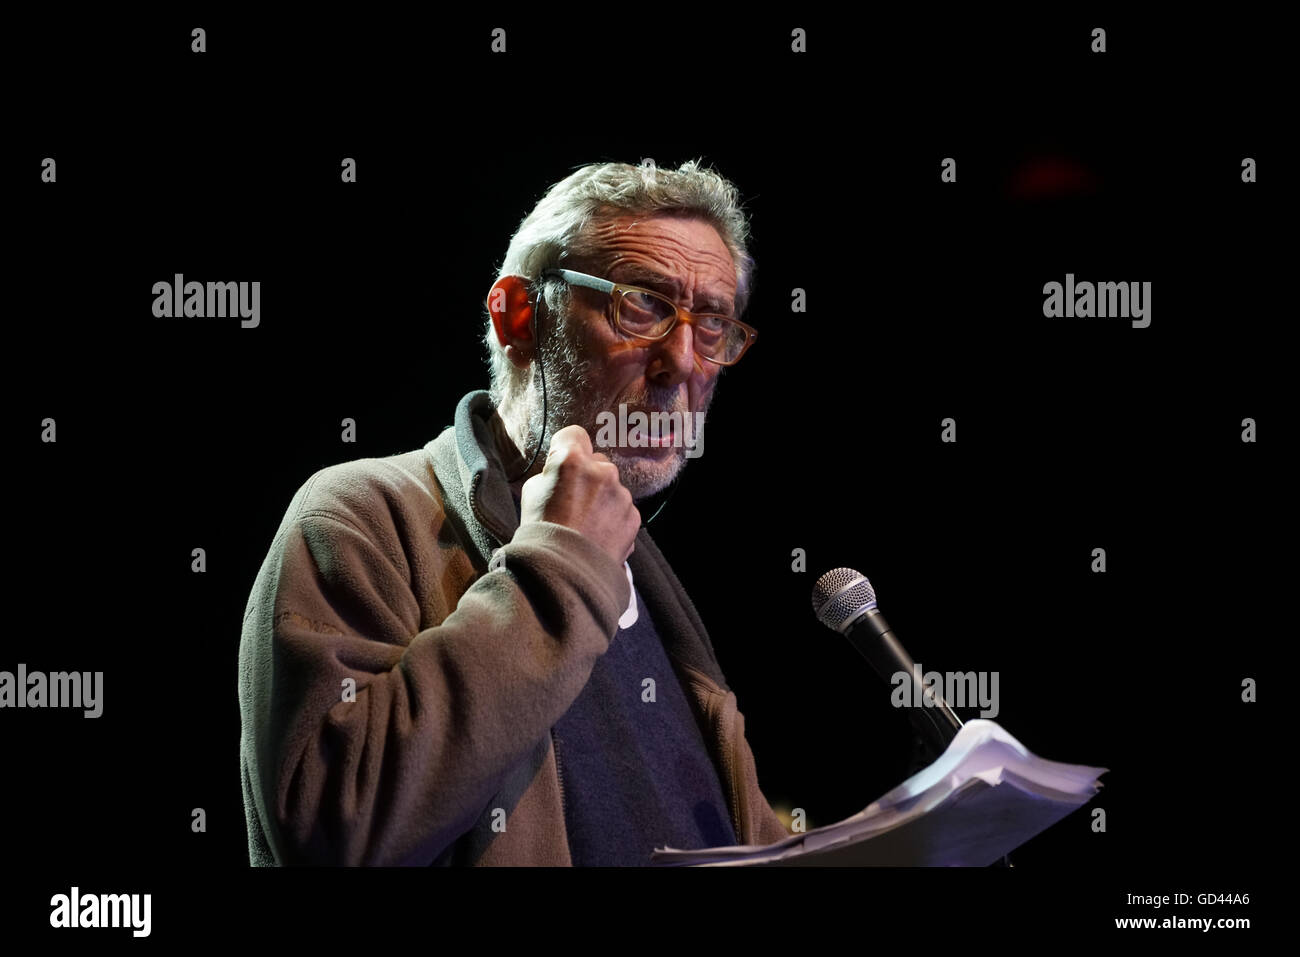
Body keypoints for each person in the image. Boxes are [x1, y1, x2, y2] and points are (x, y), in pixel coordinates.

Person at [238, 159, 789, 866]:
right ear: (518, 317)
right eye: (642, 305)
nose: (682, 360)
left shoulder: (654, 586)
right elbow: (335, 830)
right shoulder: (359, 516)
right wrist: (563, 560)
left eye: (712, 323)